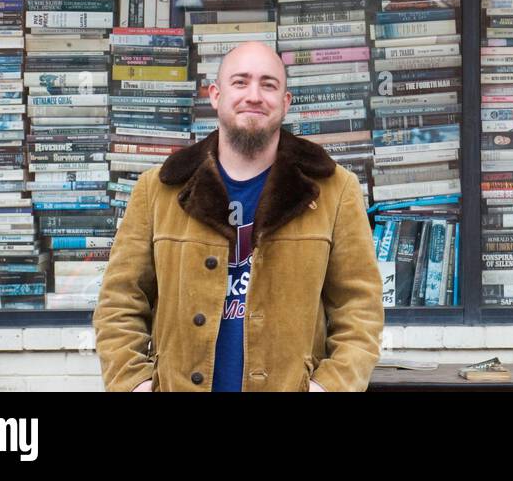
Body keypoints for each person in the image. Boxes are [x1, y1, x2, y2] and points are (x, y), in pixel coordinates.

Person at [94, 40, 384, 391]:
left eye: (268, 84)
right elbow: (119, 302)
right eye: (240, 82)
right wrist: (134, 384)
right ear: (215, 95)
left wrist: (328, 388)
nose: (254, 95)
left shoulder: (334, 190)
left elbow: (360, 308)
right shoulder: (159, 189)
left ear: (285, 102)